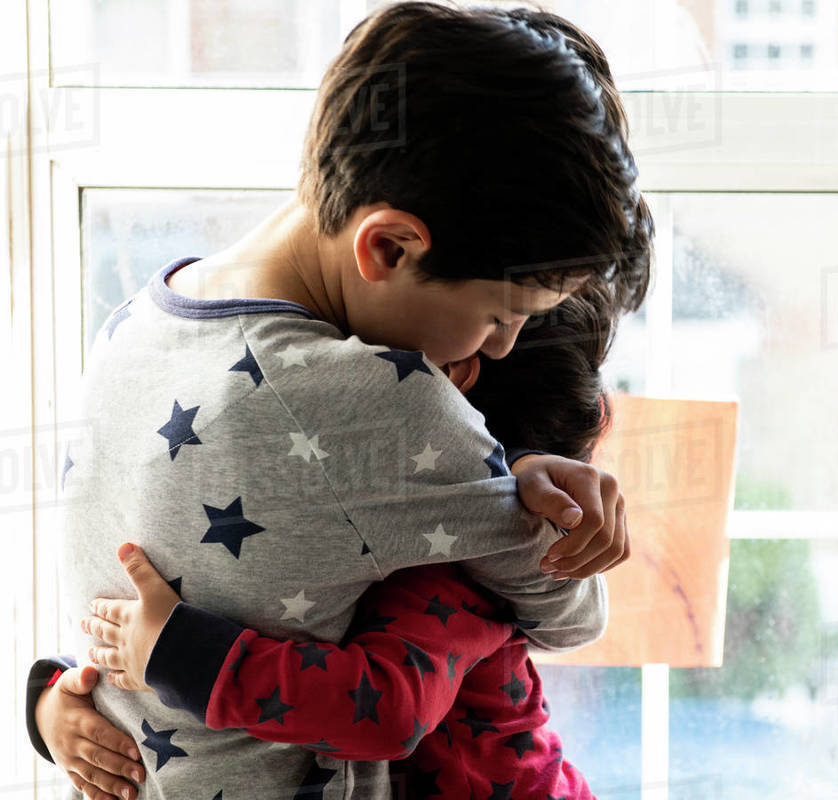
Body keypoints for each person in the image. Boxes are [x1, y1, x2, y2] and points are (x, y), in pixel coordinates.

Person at [39, 2, 653, 797]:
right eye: (501, 316)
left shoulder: (130, 325)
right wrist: (517, 474)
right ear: (388, 246)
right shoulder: (385, 403)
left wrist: (42, 702)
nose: (499, 348)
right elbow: (571, 610)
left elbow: (112, 599)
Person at [31, 288, 618, 800]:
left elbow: (386, 710)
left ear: (449, 379)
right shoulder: (370, 509)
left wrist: (183, 654)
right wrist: (54, 699)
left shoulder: (454, 568)